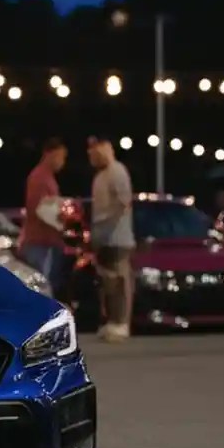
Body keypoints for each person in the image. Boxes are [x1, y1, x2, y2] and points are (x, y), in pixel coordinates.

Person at [88, 136, 135, 342]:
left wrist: (107, 224)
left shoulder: (117, 171)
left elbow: (123, 202)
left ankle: (122, 322)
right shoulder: (99, 177)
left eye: (95, 153)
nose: (92, 158)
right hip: (103, 237)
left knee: (119, 280)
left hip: (118, 237)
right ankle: (112, 320)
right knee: (107, 283)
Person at [18, 137, 69, 295]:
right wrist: (60, 221)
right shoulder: (39, 178)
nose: (62, 162)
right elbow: (38, 210)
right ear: (50, 154)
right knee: (39, 289)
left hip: (45, 242)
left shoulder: (45, 177)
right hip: (39, 243)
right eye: (61, 157)